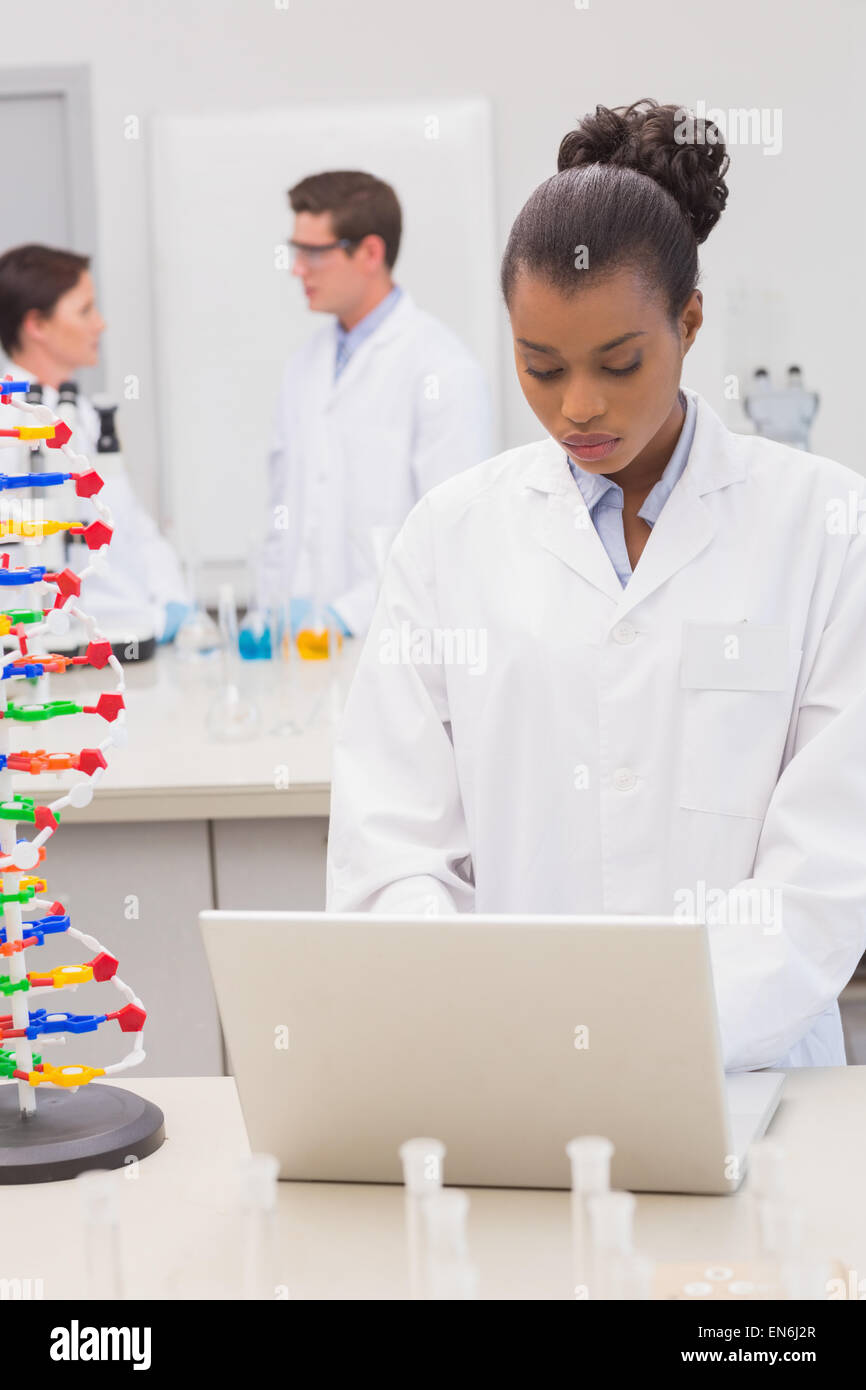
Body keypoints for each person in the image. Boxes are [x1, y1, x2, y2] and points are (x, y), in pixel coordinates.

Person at [325, 101, 866, 1073]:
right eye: (540, 368)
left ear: (687, 320)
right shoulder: (450, 537)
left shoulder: (825, 527)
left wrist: (645, 1043)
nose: (577, 405)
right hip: (507, 1076)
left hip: (750, 1076)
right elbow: (391, 849)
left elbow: (824, 871)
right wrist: (503, 1031)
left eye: (619, 364)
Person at [259, 170, 491, 639]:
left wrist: (346, 618)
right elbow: (283, 507)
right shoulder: (304, 366)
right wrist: (269, 608)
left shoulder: (441, 368)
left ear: (369, 253)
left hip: (389, 640)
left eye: (313, 253)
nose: (296, 268)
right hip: (296, 647)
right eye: (295, 250)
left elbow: (450, 536)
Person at [0, 243, 189, 643]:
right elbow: (33, 567)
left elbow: (129, 523)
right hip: (73, 651)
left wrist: (171, 601)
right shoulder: (11, 425)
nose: (100, 325)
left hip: (135, 631)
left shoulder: (81, 413)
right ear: (38, 325)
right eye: (85, 310)